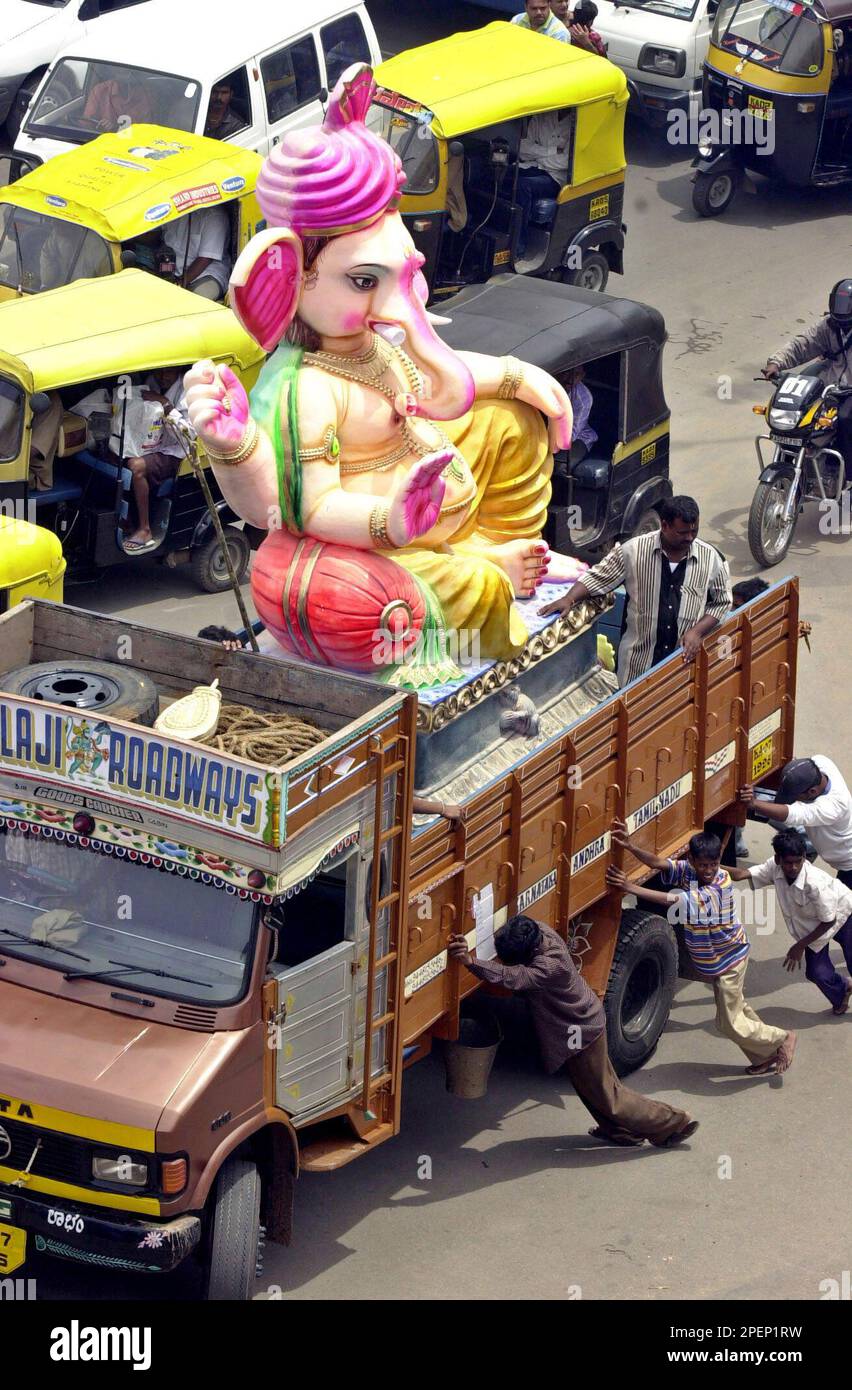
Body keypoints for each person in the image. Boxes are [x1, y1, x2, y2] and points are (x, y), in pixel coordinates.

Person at [448, 915, 699, 1146]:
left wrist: (469, 961)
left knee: (610, 1097)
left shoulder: (548, 966)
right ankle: (619, 1132)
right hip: (580, 1026)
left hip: (582, 1032)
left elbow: (512, 977)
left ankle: (674, 1121)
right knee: (589, 1086)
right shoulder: (541, 932)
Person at [607, 827, 796, 1074]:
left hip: (730, 959)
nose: (709, 871)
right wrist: (630, 847)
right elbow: (658, 863)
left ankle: (783, 1038)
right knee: (738, 1011)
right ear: (692, 861)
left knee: (728, 1023)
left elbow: (671, 900)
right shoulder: (689, 871)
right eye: (704, 865)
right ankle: (764, 1056)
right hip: (717, 960)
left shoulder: (717, 887)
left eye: (714, 864)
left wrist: (630, 887)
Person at [539, 495, 732, 685]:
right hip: (637, 667)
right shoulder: (633, 551)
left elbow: (723, 602)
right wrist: (569, 599)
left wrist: (697, 632)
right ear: (664, 526)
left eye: (694, 531)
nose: (689, 538)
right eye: (682, 533)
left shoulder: (712, 558)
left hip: (683, 668)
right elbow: (597, 577)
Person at [728, 830, 852, 1015]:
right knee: (817, 973)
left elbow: (829, 920)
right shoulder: (774, 867)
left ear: (804, 857)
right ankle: (843, 989)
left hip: (843, 914)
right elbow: (739, 874)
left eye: (798, 861)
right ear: (778, 859)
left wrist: (799, 946)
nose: (793, 867)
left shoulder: (814, 883)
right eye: (788, 862)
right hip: (814, 925)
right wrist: (710, 866)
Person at [763, 280, 852, 470]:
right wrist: (776, 363)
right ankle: (789, 470)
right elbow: (803, 344)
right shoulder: (828, 325)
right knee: (798, 412)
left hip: (849, 390)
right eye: (838, 304)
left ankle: (848, 480)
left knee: (845, 419)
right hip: (831, 388)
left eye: (846, 305)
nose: (841, 310)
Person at [739, 755, 852, 889]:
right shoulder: (821, 762)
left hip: (848, 866)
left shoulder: (833, 807)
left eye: (795, 797)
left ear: (812, 791)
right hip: (836, 853)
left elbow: (791, 814)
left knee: (844, 906)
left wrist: (754, 804)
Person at [118, 368, 193, 551]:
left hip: (176, 452)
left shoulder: (187, 391)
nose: (162, 378)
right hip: (151, 443)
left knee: (136, 466)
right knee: (114, 455)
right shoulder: (153, 381)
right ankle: (126, 519)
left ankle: (145, 529)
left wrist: (166, 404)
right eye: (159, 373)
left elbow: (186, 437)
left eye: (167, 373)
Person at [515, 109, 573, 258]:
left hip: (553, 178)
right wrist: (552, 151)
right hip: (532, 167)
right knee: (501, 175)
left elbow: (565, 161)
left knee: (523, 186)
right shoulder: (541, 117)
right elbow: (523, 148)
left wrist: (538, 156)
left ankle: (518, 246)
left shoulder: (574, 123)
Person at [162, 207, 231, 300]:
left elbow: (205, 259)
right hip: (172, 270)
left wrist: (180, 283)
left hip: (206, 273)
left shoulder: (214, 215)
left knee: (199, 298)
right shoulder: (172, 211)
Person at [83, 74, 155, 131]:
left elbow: (145, 129)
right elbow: (86, 123)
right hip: (98, 140)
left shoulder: (146, 95)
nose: (124, 74)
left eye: (128, 71)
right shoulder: (100, 90)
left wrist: (115, 127)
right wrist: (100, 125)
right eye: (120, 71)